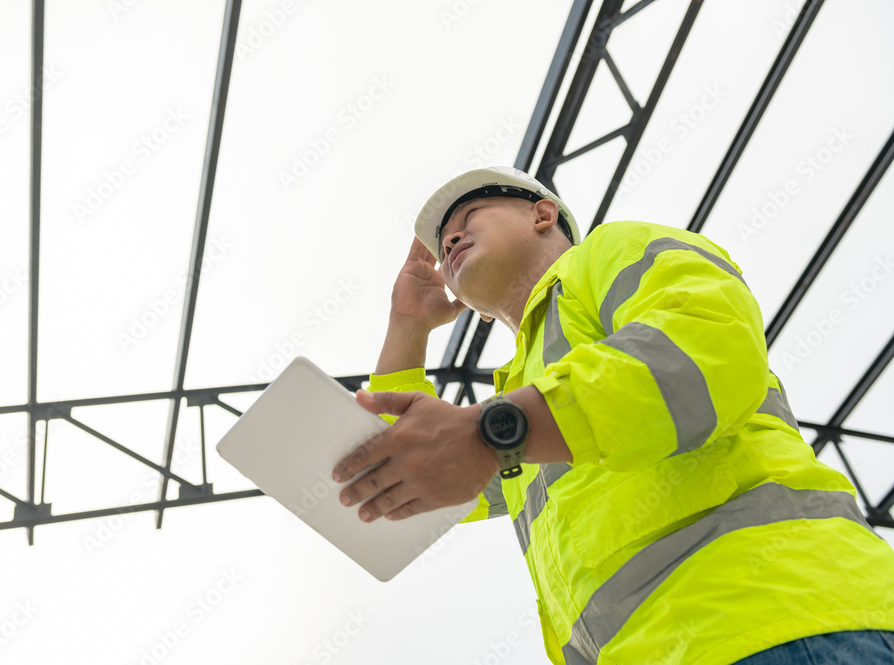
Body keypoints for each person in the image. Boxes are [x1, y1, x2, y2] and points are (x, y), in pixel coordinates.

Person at [331, 166, 894, 664]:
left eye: (470, 214)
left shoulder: (607, 254)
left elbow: (702, 349)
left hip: (785, 622)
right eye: (443, 236)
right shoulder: (525, 392)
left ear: (542, 215)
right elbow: (398, 481)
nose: (450, 236)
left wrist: (493, 432)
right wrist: (406, 326)